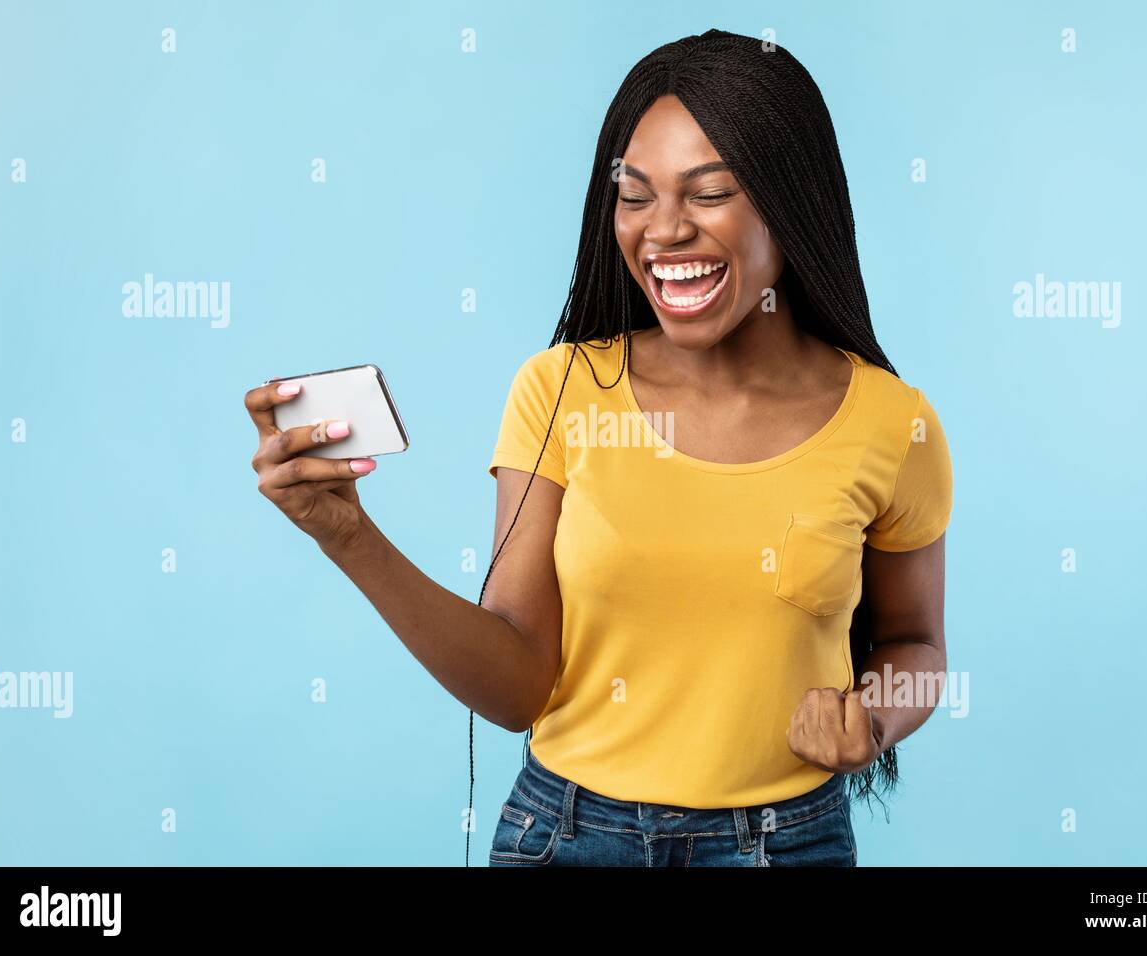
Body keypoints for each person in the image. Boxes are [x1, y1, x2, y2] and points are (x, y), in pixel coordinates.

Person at [244, 29, 952, 867]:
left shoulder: (890, 422)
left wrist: (873, 715)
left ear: (790, 203)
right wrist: (349, 538)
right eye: (636, 195)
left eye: (710, 192)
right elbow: (516, 688)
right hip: (568, 837)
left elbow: (917, 647)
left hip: (784, 843)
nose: (665, 232)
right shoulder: (562, 390)